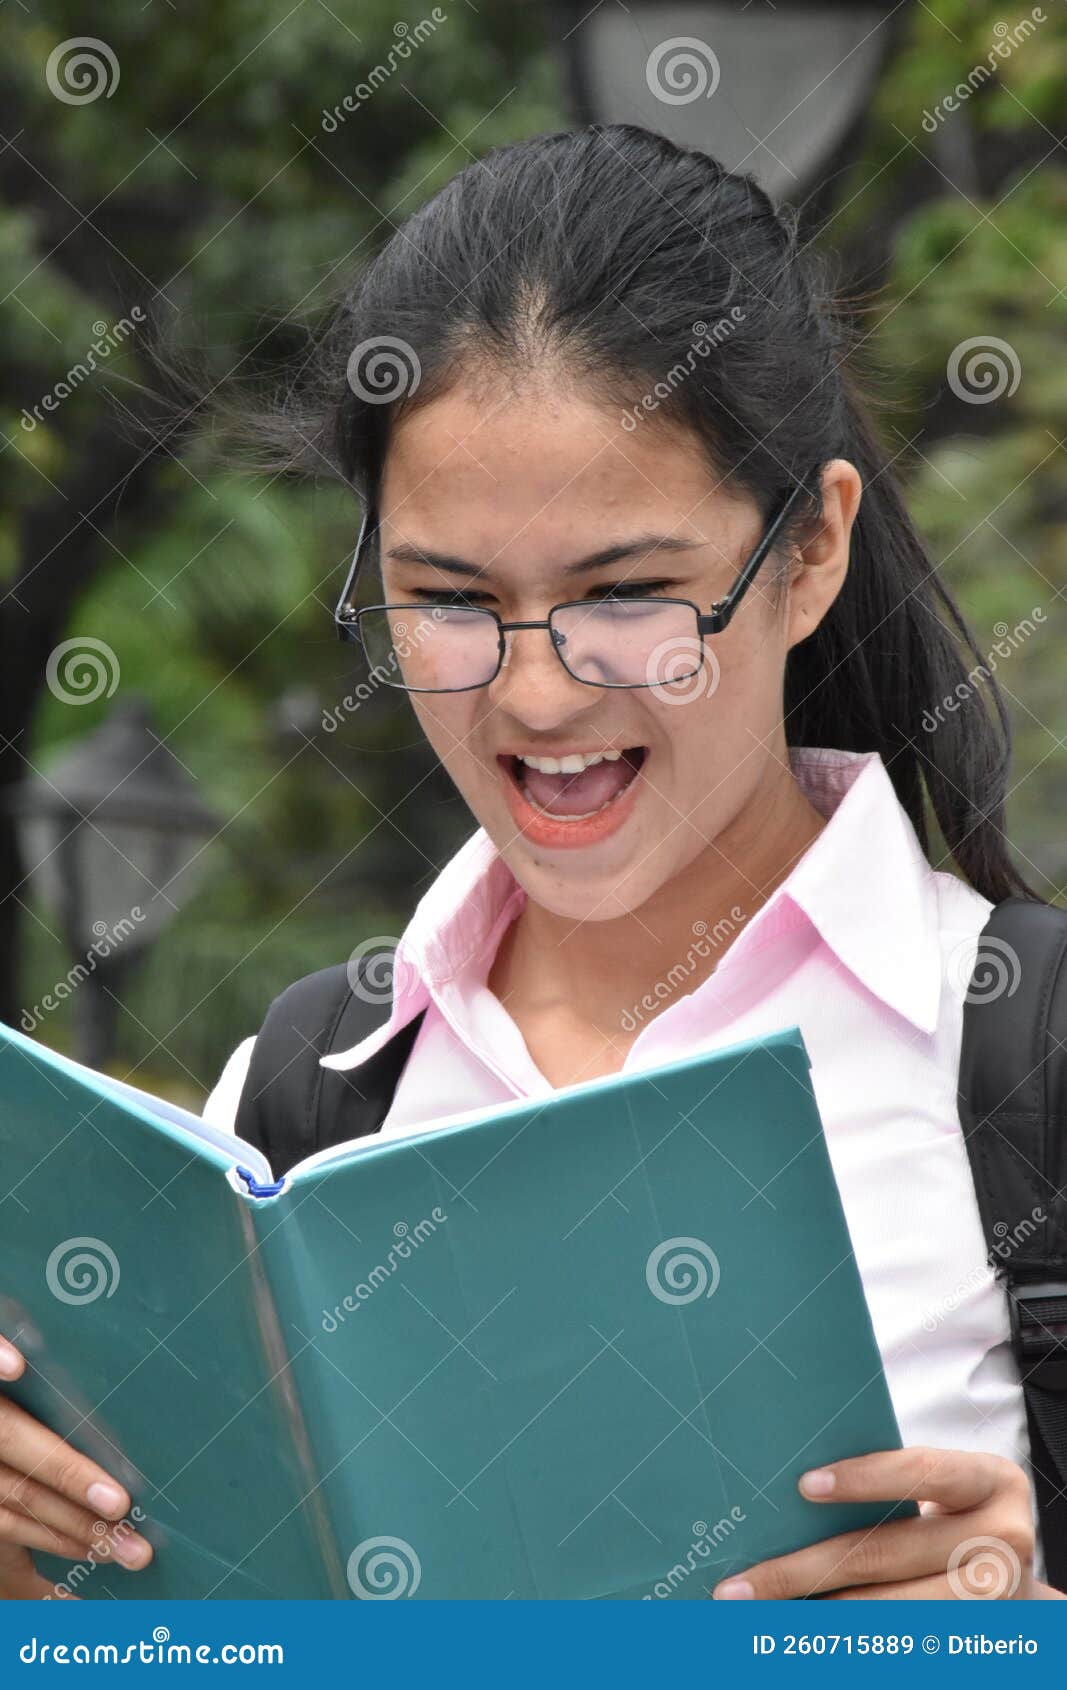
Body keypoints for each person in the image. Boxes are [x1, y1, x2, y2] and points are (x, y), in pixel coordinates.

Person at [1, 124, 1060, 1600]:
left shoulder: (1019, 1056)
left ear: (810, 551)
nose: (539, 697)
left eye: (627, 595)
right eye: (445, 598)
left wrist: (1030, 1622)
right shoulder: (304, 1100)